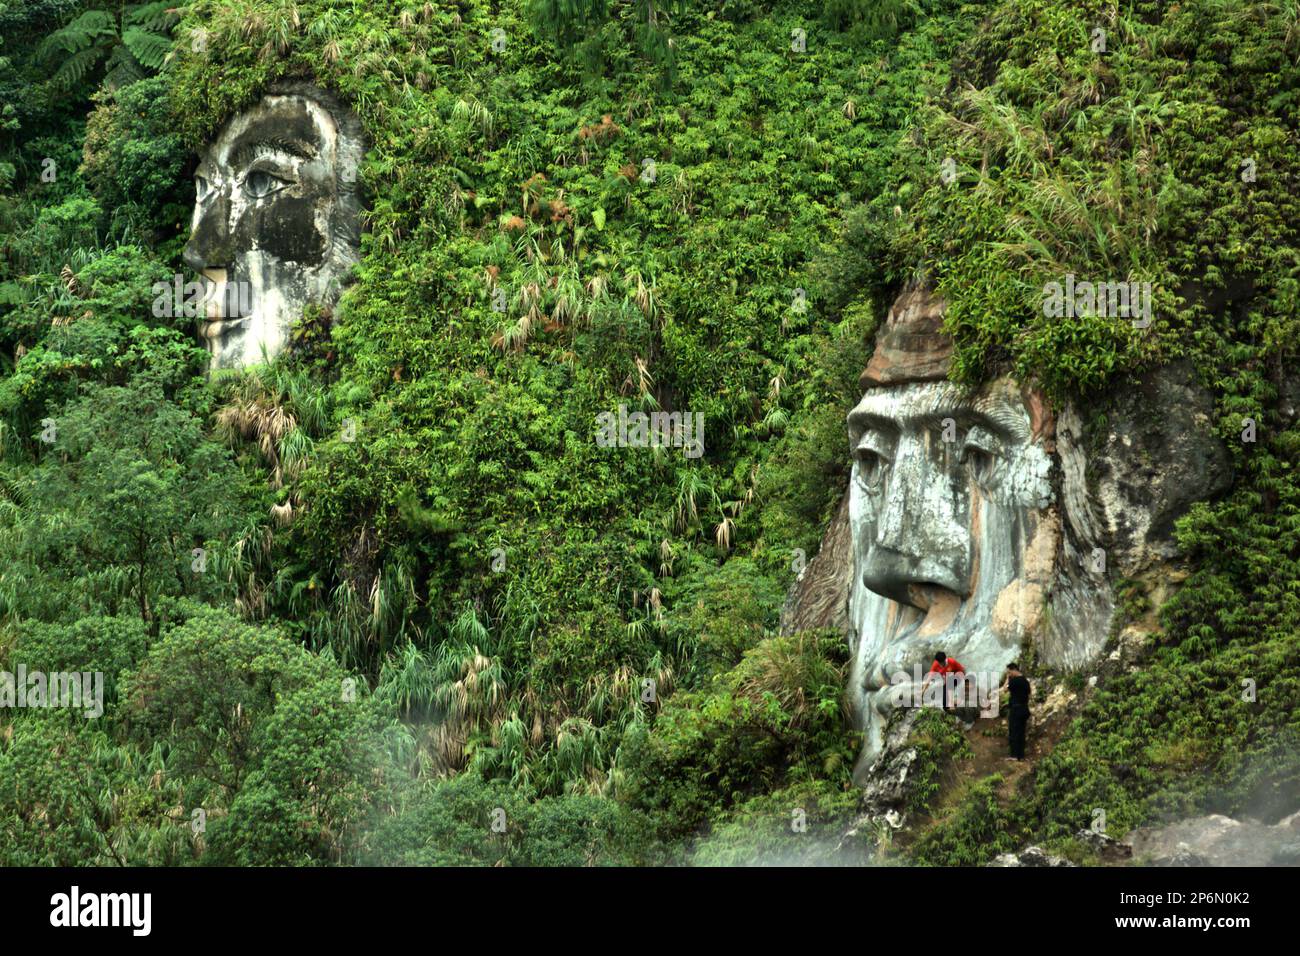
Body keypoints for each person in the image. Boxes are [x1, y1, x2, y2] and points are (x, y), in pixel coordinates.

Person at [1004, 662, 1032, 759]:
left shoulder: (1014, 681)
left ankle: (1014, 755)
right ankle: (1021, 755)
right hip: (1024, 709)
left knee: (1014, 732)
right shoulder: (1025, 681)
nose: (1009, 674)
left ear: (1013, 670)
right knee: (1021, 732)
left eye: (1009, 672)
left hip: (1016, 709)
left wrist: (1007, 678)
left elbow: (1004, 689)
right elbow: (1029, 693)